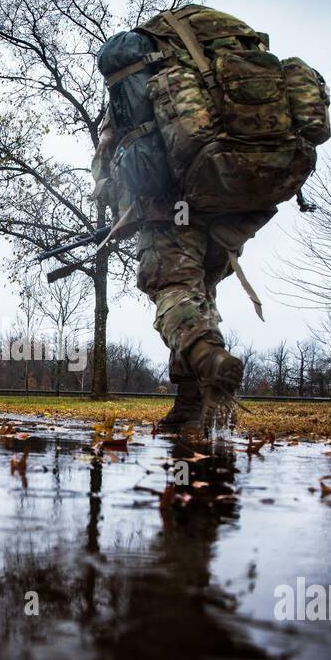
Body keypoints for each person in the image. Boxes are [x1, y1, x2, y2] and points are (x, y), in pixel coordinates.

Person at [92, 115, 275, 435]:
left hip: (169, 213)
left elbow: (108, 155)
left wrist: (115, 199)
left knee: (172, 289)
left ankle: (211, 361)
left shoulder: (142, 77)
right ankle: (190, 404)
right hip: (224, 220)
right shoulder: (215, 76)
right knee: (199, 299)